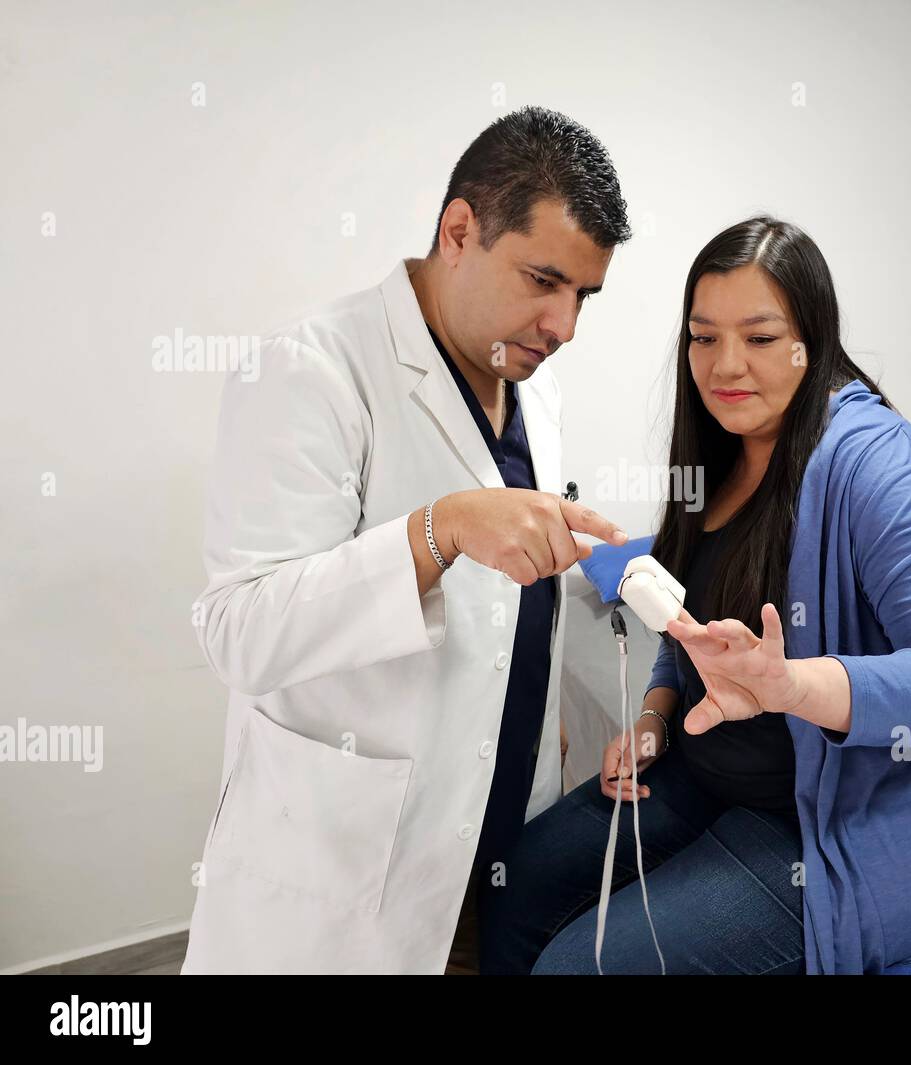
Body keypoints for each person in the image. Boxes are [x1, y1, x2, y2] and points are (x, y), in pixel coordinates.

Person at [477, 215, 911, 974]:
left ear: (812, 338)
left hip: (826, 825)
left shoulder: (878, 465)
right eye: (703, 337)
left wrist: (793, 685)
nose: (725, 364)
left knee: (579, 966)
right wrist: (655, 719)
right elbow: (691, 633)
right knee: (514, 879)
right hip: (704, 772)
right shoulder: (716, 452)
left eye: (761, 339)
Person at [182, 106, 631, 974]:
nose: (565, 325)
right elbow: (240, 630)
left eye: (584, 295)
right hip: (354, 861)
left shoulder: (537, 396)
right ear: (459, 229)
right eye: (544, 280)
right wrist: (442, 528)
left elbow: (501, 605)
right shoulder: (312, 372)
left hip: (500, 845)